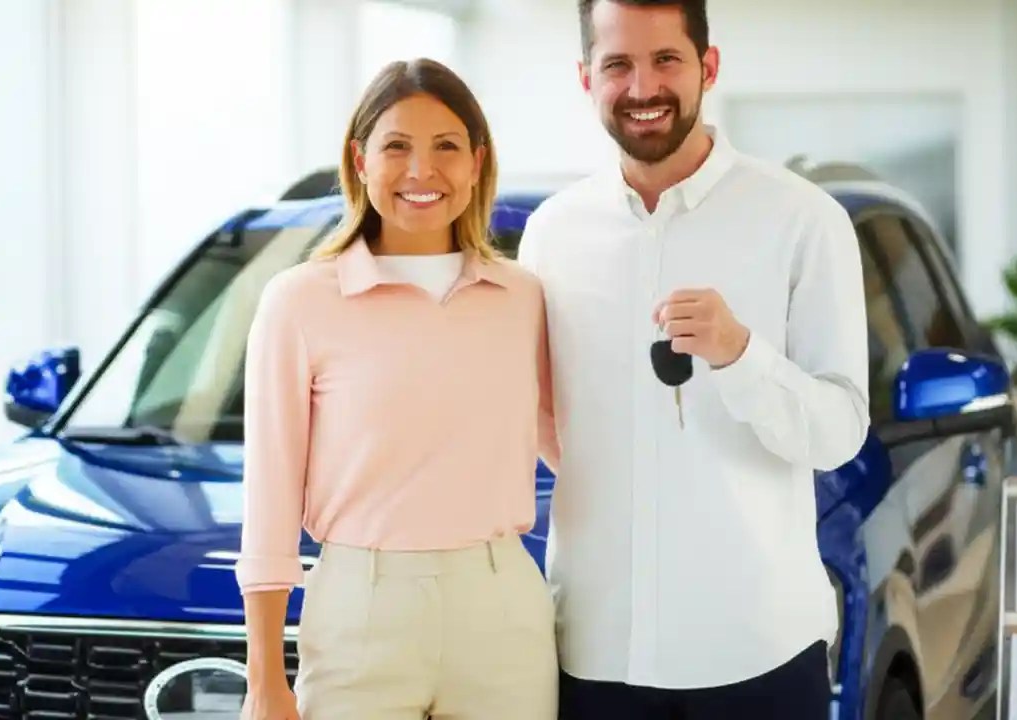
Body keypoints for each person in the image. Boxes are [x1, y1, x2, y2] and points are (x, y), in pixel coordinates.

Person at [516, 1, 869, 718]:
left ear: (709, 66)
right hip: (595, 651)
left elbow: (840, 433)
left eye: (666, 60)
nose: (642, 87)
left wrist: (741, 356)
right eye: (617, 64)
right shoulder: (552, 234)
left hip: (758, 651)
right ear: (586, 78)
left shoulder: (803, 220)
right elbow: (548, 420)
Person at [235, 57, 560, 720]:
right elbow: (268, 500)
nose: (421, 172)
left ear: (477, 162)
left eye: (445, 147)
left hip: (503, 611)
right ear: (359, 160)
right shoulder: (299, 302)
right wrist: (266, 681)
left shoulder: (524, 297)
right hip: (360, 611)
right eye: (396, 147)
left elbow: (575, 450)